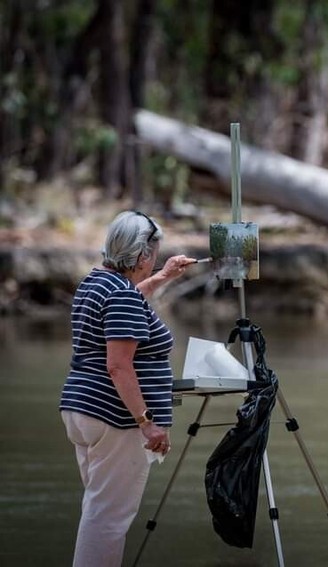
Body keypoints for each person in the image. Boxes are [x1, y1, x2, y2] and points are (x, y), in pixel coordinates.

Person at [59, 211, 197, 567]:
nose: (154, 260)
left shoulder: (97, 283)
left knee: (99, 509)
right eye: (154, 254)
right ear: (142, 255)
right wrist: (147, 421)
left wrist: (164, 276)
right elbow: (118, 366)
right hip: (114, 417)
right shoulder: (122, 297)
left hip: (83, 409)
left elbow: (128, 300)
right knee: (109, 518)